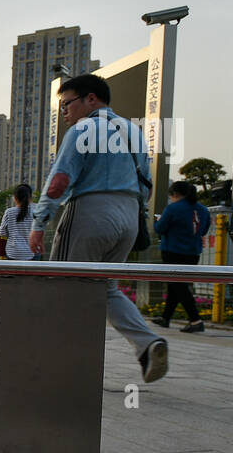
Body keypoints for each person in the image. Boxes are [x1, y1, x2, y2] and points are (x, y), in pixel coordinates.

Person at [29, 74, 167, 383]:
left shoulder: (84, 128)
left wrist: (39, 224)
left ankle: (62, 366)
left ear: (91, 99)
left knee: (63, 286)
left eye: (67, 104)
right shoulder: (135, 132)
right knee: (106, 288)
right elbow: (146, 183)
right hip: (129, 216)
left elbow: (60, 181)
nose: (64, 112)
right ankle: (147, 344)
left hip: (91, 212)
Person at [153, 180, 211, 332]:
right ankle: (166, 318)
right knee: (177, 285)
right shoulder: (203, 210)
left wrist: (157, 221)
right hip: (193, 252)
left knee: (178, 286)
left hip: (172, 250)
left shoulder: (173, 208)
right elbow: (204, 230)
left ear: (175, 194)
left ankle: (195, 320)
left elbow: (160, 228)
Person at [0, 184, 37, 260]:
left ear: (15, 198)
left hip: (12, 252)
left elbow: (2, 232)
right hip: (30, 253)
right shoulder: (35, 211)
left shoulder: (9, 212)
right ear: (30, 197)